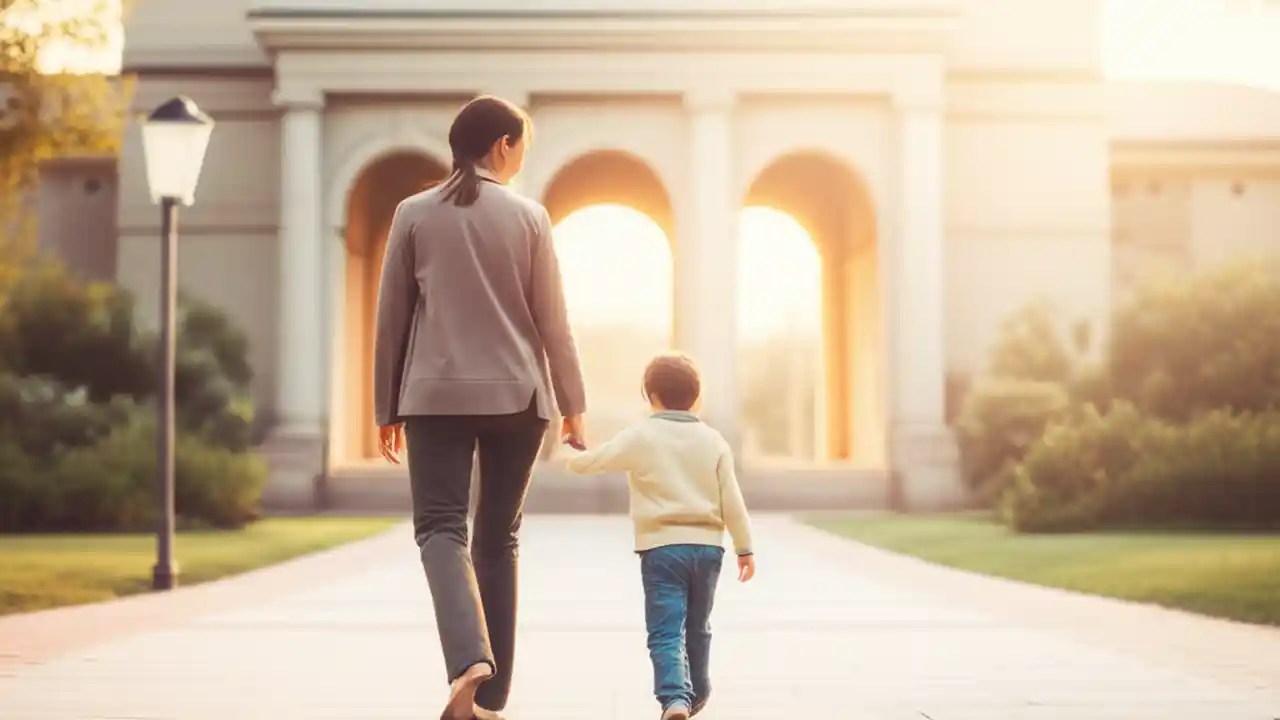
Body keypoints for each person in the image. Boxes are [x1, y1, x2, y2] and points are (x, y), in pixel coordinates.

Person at [372, 95, 586, 720]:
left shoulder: (412, 215)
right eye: (522, 147)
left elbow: (392, 319)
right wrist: (573, 403)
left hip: (434, 397)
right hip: (518, 399)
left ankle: (468, 656)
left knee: (441, 529)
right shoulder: (530, 218)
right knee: (499, 540)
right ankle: (491, 701)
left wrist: (386, 405)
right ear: (502, 146)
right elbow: (555, 322)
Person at [564, 353, 755, 720]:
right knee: (698, 626)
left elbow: (589, 462)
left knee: (666, 629)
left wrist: (570, 444)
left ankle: (675, 699)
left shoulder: (641, 436)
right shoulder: (713, 441)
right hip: (708, 549)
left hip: (662, 549)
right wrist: (745, 548)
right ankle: (697, 693)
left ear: (649, 395)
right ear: (697, 398)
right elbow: (732, 499)